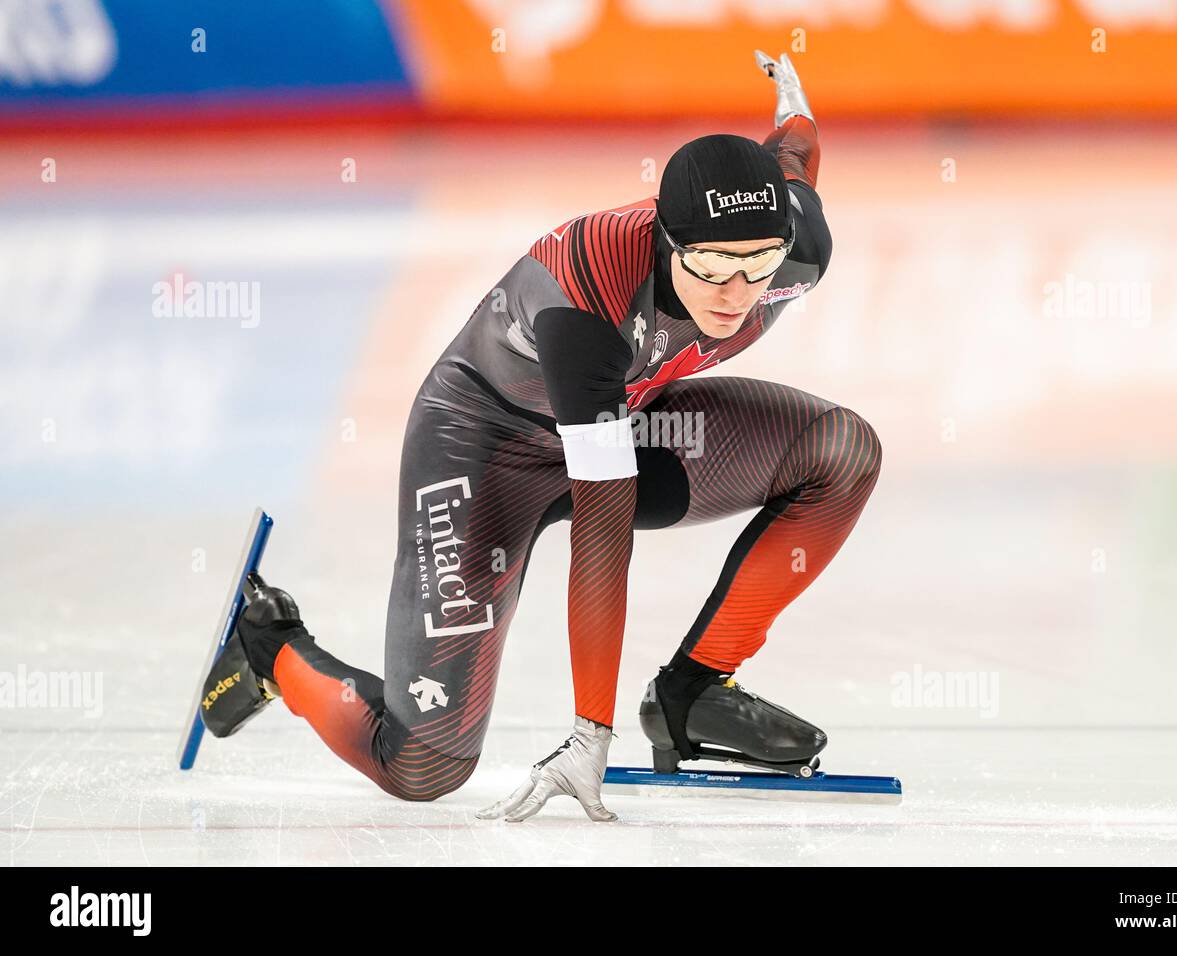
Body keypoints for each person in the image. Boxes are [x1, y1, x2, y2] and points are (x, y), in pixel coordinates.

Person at [200, 51, 881, 822]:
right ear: (666, 241)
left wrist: (792, 106)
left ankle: (692, 697)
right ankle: (270, 647)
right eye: (712, 267)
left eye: (757, 267)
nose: (736, 295)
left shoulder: (797, 252)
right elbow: (603, 531)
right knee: (423, 765)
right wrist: (591, 730)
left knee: (841, 453)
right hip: (487, 445)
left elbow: (795, 154)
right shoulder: (587, 293)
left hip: (629, 415)